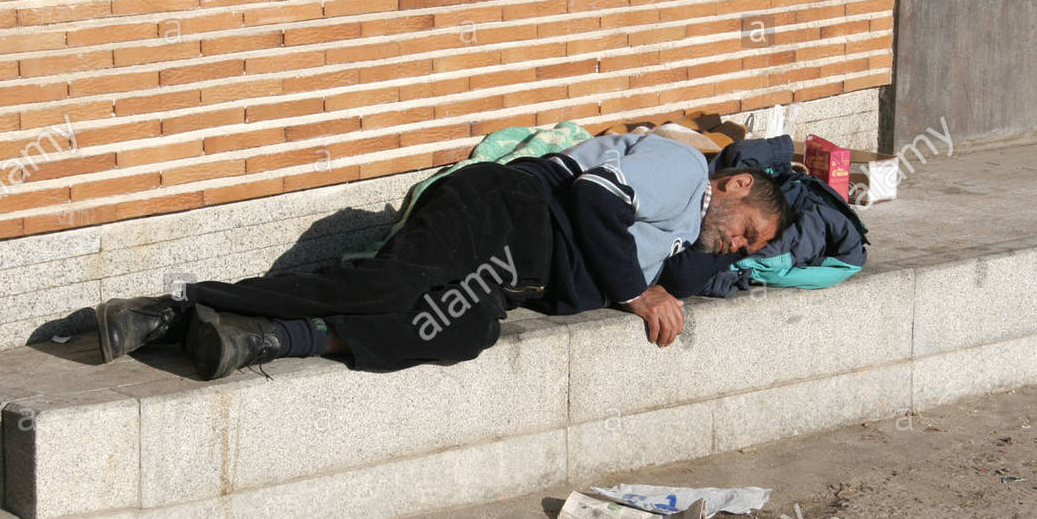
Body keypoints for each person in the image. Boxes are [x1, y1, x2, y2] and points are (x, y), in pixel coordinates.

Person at [96, 132, 792, 381]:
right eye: (748, 230)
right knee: (397, 281)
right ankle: (170, 308)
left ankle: (264, 336)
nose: (739, 247)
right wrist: (636, 294)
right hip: (510, 208)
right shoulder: (682, 173)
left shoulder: (685, 247)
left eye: (748, 248)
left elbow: (697, 273)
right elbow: (591, 200)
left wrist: (696, 271)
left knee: (460, 330)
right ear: (731, 186)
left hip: (514, 275)